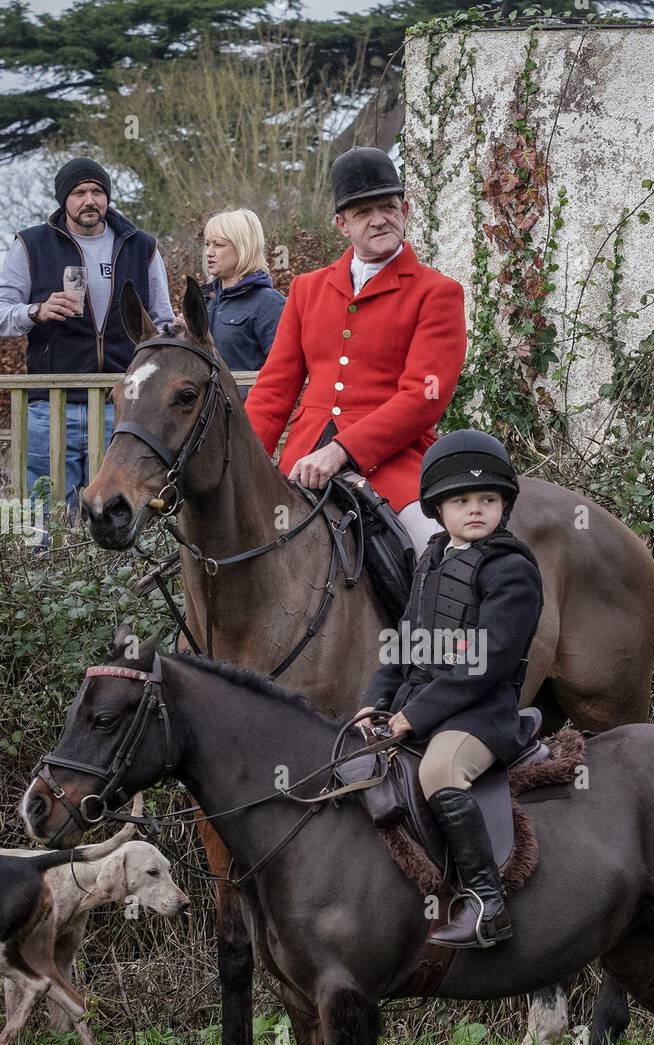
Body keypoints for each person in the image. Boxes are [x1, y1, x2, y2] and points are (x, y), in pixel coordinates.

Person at [353, 430, 544, 949]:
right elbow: (404, 641)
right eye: (462, 501)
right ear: (439, 509)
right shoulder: (430, 561)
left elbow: (488, 662)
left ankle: (488, 903)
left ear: (504, 505)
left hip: (481, 714)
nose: (476, 510)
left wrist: (416, 715)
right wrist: (377, 699)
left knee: (440, 770)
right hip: (422, 704)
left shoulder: (512, 570)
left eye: (488, 500)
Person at [244, 147, 467, 557]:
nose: (379, 219)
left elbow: (423, 398)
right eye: (363, 212)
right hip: (301, 463)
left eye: (388, 206)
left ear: (406, 209)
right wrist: (241, 464)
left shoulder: (437, 293)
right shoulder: (307, 289)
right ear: (342, 224)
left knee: (434, 549)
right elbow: (274, 389)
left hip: (391, 466)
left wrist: (342, 450)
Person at [0, 157, 174, 527]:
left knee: (113, 506)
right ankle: (36, 584)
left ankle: (113, 582)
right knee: (39, 512)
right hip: (50, 402)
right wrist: (36, 311)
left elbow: (161, 318)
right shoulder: (31, 244)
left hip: (120, 401)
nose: (89, 200)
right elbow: (1, 313)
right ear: (64, 199)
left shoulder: (141, 245)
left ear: (108, 197)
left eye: (97, 191)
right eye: (79, 192)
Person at [195, 208, 285, 399]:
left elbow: (283, 374)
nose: (209, 253)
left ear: (243, 247)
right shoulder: (203, 300)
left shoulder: (268, 303)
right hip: (201, 419)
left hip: (245, 418)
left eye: (218, 245)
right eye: (207, 244)